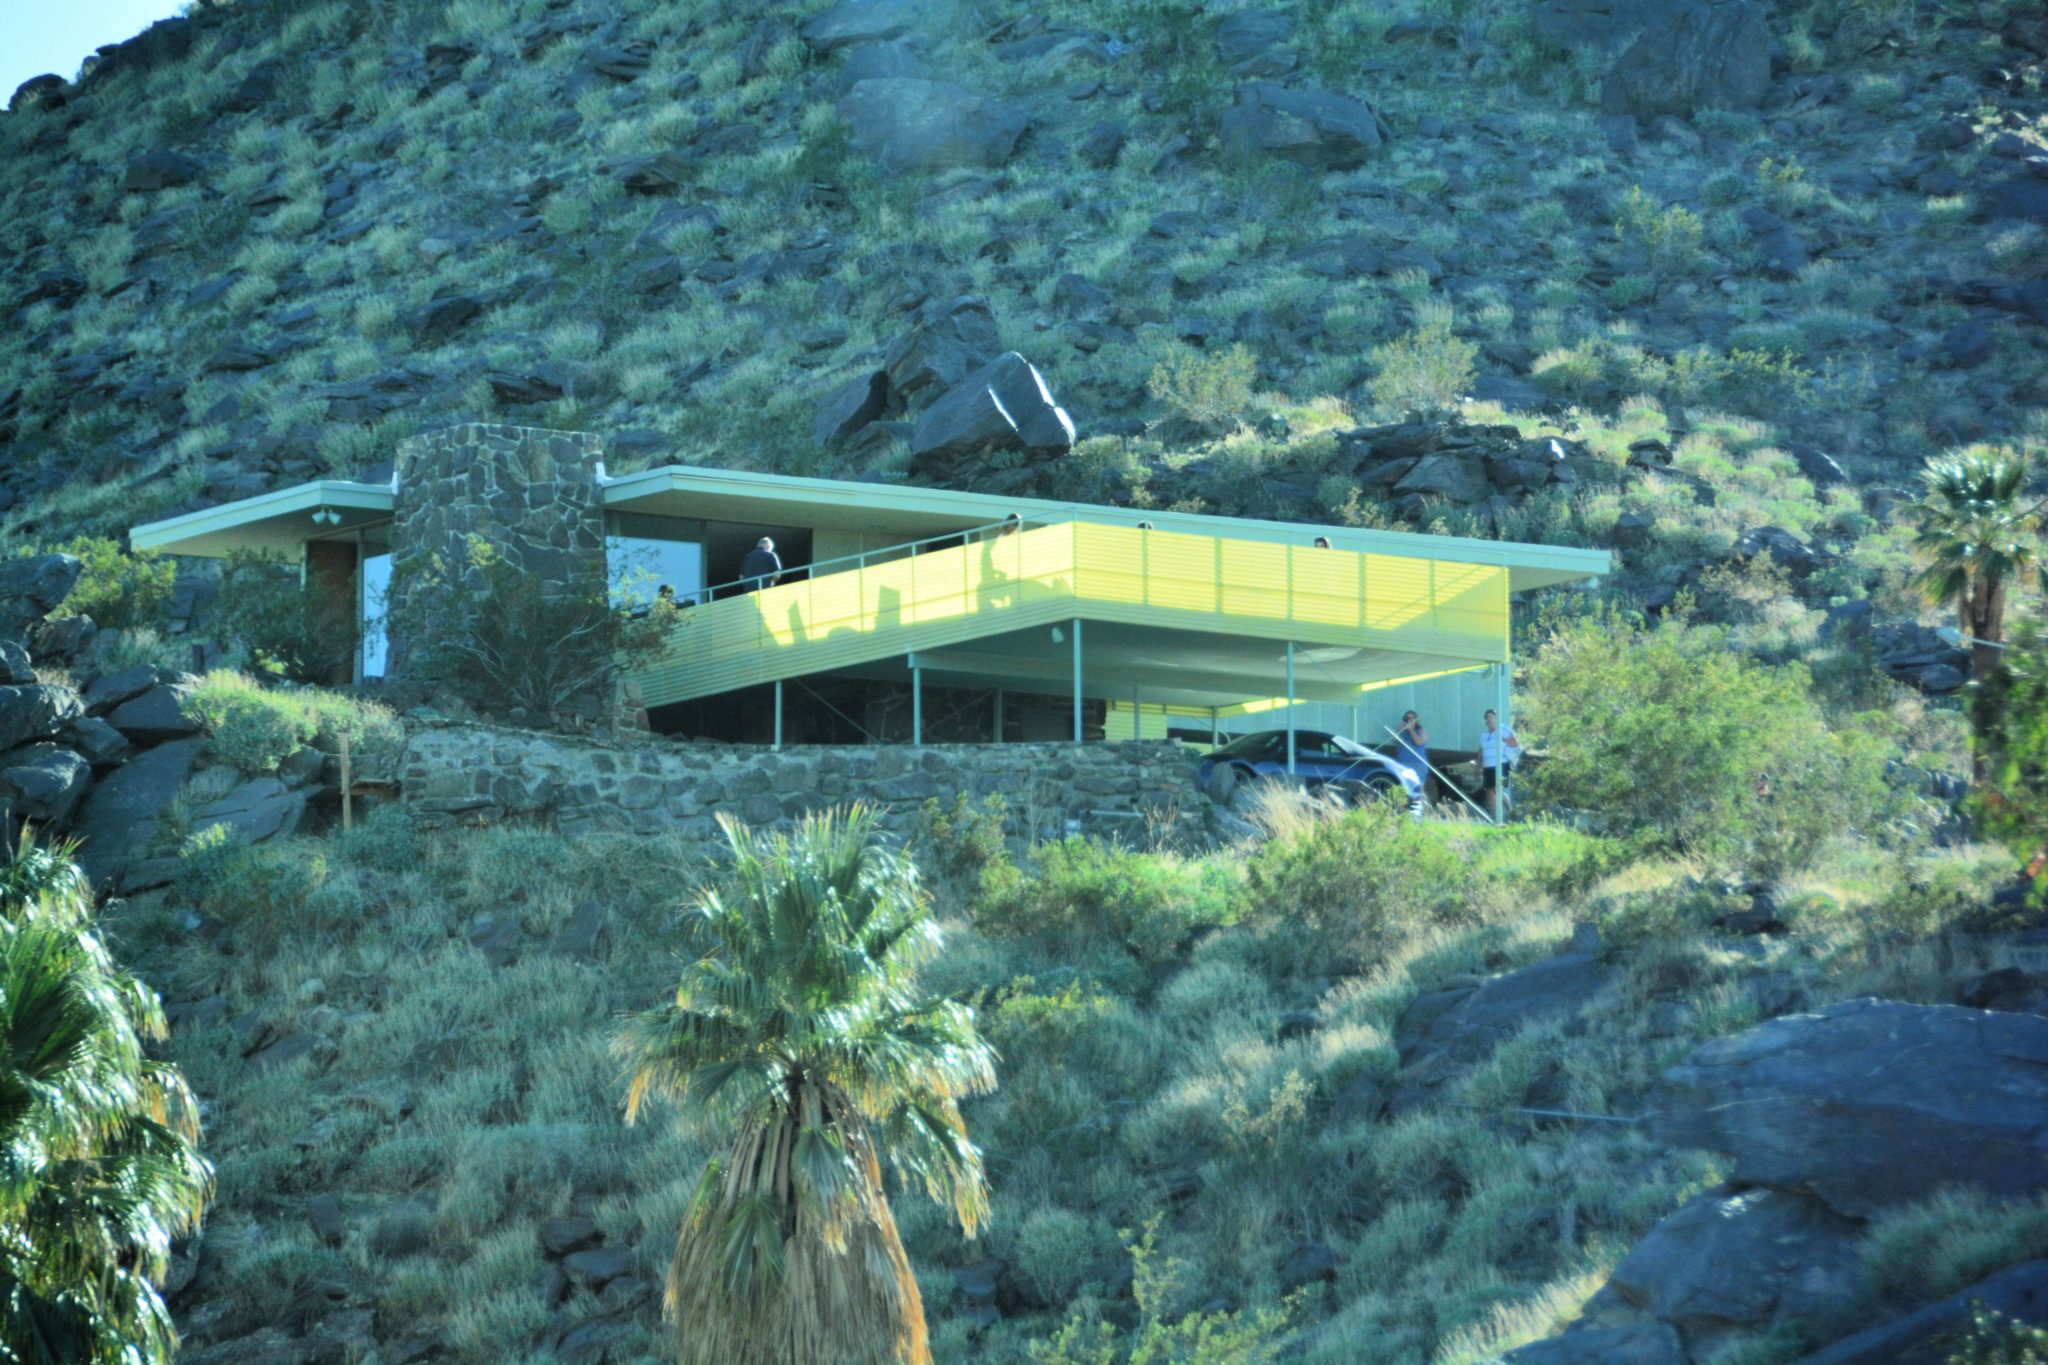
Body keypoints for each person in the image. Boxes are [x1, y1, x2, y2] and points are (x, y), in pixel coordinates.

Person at [1477, 708, 1519, 806]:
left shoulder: (1503, 729)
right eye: (1487, 717)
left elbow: (1515, 743)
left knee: (1497, 790)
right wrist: (1477, 767)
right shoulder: (1484, 735)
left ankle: (1507, 812)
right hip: (1488, 767)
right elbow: (1480, 752)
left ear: (1496, 718)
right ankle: (1495, 817)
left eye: (1491, 717)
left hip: (1501, 765)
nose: (1489, 719)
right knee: (1489, 792)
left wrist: (1503, 740)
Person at [1395, 710, 1429, 789]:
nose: (1409, 720)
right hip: (1404, 764)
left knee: (1418, 789)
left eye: (1411, 719)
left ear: (1416, 720)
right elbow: (1394, 740)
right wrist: (1401, 727)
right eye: (1407, 718)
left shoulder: (1421, 730)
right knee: (1404, 788)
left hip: (1418, 764)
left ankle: (1421, 801)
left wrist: (1411, 730)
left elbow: (1419, 742)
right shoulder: (1402, 732)